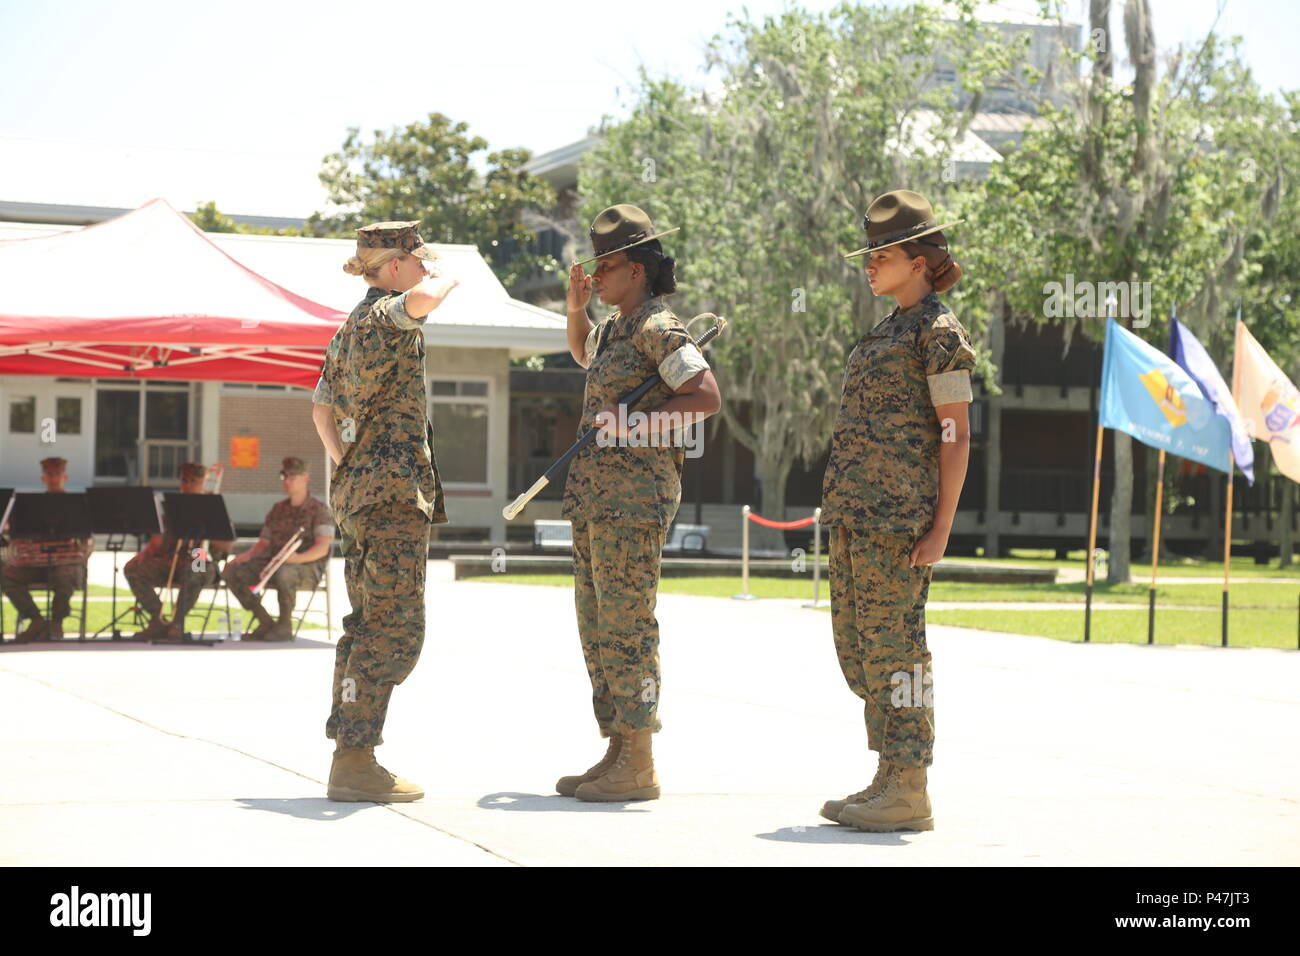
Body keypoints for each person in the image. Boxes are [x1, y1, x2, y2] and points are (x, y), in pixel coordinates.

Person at [818, 189, 976, 832]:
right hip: (857, 515)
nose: (869, 265)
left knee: (898, 648)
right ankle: (888, 771)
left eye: (881, 254)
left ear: (918, 260)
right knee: (859, 648)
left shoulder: (940, 332)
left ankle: (911, 784)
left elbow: (955, 432)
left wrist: (941, 525)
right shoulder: (887, 330)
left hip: (899, 519)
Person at [557, 204, 721, 802]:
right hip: (596, 499)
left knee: (628, 624)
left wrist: (632, 428)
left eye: (608, 264)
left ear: (640, 269)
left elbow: (703, 396)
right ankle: (618, 748)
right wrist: (576, 309)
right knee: (597, 624)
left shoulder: (657, 326)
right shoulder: (614, 328)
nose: (597, 273)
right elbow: (583, 354)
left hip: (633, 501)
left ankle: (642, 759)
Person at [311, 219, 458, 803]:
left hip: (361, 493)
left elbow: (320, 411)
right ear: (394, 266)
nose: (426, 267)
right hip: (393, 496)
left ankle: (351, 751)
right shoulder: (383, 313)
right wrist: (447, 278)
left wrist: (350, 460)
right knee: (395, 629)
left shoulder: (347, 327)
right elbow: (421, 300)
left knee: (365, 624)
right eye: (418, 259)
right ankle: (354, 758)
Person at [222, 457, 333, 641]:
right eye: (284, 476)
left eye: (292, 477)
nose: (287, 481)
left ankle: (284, 625)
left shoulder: (319, 510)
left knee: (285, 572)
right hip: (272, 563)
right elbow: (263, 543)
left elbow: (322, 547)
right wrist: (246, 556)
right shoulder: (278, 509)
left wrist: (297, 558)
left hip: (305, 568)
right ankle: (264, 620)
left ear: (305, 478)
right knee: (231, 570)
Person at [124, 462, 231, 640]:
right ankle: (158, 620)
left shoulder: (212, 505)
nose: (187, 485)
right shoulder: (173, 506)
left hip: (200, 555)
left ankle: (177, 623)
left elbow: (227, 546)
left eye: (193, 481)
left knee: (193, 570)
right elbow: (157, 541)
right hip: (172, 558)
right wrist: (143, 555)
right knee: (132, 568)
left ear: (203, 482)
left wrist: (207, 527)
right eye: (184, 480)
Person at [2, 457, 93, 641]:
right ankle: (36, 621)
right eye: (50, 474)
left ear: (65, 477)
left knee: (63, 574)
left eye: (57, 474)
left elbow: (87, 539)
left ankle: (56, 623)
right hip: (37, 566)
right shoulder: (30, 506)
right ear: (43, 478)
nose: (54, 478)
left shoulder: (77, 505)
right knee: (6, 575)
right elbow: (17, 535)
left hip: (67, 565)